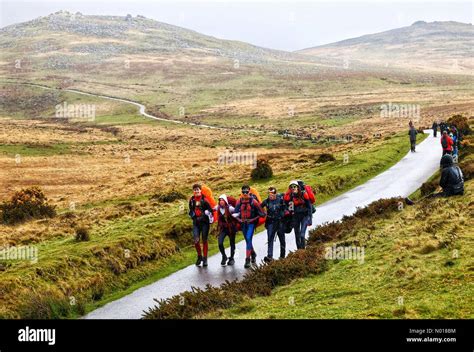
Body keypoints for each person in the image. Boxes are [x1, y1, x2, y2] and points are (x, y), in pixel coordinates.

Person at [234, 185, 265, 268]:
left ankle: (247, 260)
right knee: (248, 240)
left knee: (248, 238)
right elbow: (235, 213)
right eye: (243, 192)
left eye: (246, 192)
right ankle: (253, 253)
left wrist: (253, 220)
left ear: (249, 192)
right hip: (243, 224)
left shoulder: (254, 201)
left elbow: (262, 214)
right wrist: (239, 220)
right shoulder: (239, 201)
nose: (245, 193)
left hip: (251, 224)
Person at [188, 184, 213, 267]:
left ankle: (205, 258)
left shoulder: (205, 200)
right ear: (193, 191)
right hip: (196, 223)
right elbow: (191, 210)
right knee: (196, 240)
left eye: (197, 189)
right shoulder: (191, 200)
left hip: (205, 223)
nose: (196, 191)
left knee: (204, 240)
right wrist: (192, 216)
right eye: (195, 190)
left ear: (200, 190)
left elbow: (210, 211)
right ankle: (199, 256)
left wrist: (205, 215)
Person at [284, 180, 312, 250]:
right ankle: (299, 251)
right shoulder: (290, 197)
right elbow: (290, 209)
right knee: (297, 236)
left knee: (302, 235)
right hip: (296, 217)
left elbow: (309, 207)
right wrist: (290, 220)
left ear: (298, 187)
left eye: (294, 187)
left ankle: (303, 251)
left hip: (304, 216)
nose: (293, 188)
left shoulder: (304, 194)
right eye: (291, 187)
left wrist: (310, 219)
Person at [260, 187, 286, 262]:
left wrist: (283, 214)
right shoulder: (266, 201)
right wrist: (263, 214)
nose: (270, 195)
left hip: (280, 222)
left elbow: (286, 208)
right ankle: (269, 256)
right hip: (270, 222)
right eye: (269, 193)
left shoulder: (280, 200)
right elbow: (259, 207)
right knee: (270, 238)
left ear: (275, 194)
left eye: (272, 194)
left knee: (282, 239)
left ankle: (282, 256)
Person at [215, 194, 237, 266]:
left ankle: (232, 258)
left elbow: (237, 211)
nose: (221, 201)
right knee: (220, 242)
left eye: (222, 200)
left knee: (232, 243)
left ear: (225, 201)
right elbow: (211, 209)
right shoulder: (218, 208)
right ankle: (224, 256)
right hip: (223, 229)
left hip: (231, 228)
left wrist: (237, 215)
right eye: (220, 200)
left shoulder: (230, 208)